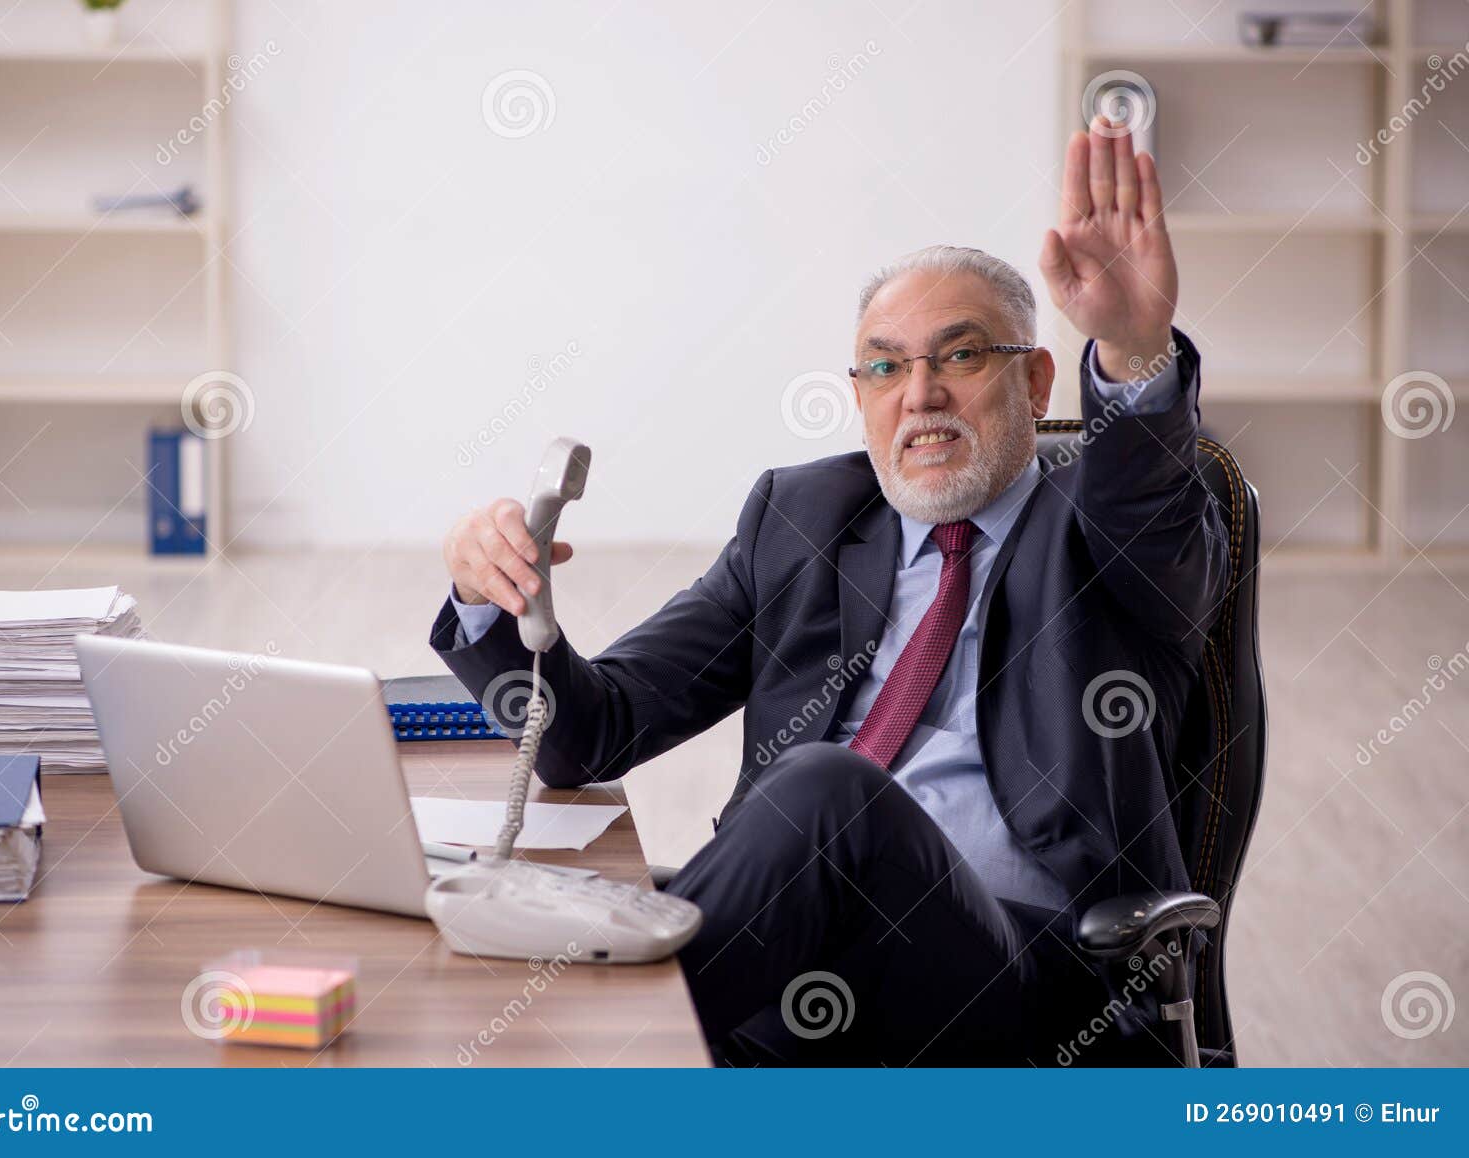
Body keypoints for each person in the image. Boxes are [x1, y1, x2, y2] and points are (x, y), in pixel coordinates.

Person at [431, 119, 1228, 1065]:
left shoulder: (1107, 525)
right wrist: (490, 598)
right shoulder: (803, 516)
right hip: (802, 944)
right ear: (860, 398)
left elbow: (1151, 501)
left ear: (1038, 376)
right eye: (885, 366)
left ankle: (593, 1083)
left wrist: (1135, 354)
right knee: (531, 912)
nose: (919, 392)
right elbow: (586, 734)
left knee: (825, 790)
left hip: (1032, 986)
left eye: (961, 356)